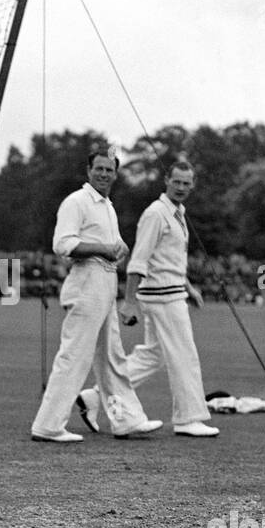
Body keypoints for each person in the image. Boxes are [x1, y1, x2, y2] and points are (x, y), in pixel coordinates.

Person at [75, 159, 220, 438]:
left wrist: (188, 287)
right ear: (166, 180)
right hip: (162, 296)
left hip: (171, 291)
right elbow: (139, 258)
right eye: (176, 181)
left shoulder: (177, 212)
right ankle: (188, 419)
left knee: (153, 356)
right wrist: (129, 301)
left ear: (193, 185)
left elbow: (168, 258)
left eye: (186, 183)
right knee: (184, 355)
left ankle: (95, 396)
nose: (181, 187)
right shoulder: (156, 213)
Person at [30, 148, 163, 443]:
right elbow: (63, 244)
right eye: (99, 169)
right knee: (75, 356)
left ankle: (126, 420)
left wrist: (119, 247)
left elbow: (109, 243)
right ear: (89, 171)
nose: (104, 174)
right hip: (85, 283)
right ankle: (47, 425)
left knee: (113, 357)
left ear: (116, 174)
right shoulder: (76, 202)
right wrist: (104, 249)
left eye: (109, 170)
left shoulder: (107, 206)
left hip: (105, 283)